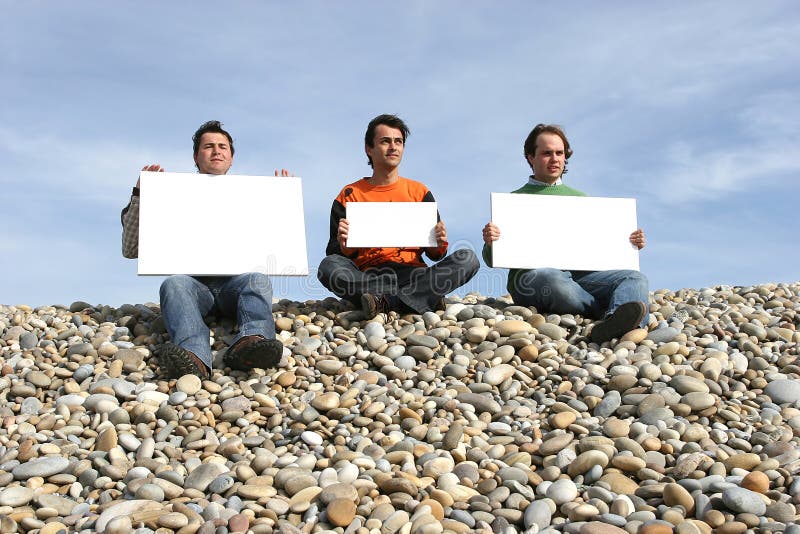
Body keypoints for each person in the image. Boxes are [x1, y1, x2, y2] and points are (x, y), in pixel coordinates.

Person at [121, 120, 286, 379]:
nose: (216, 151)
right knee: (174, 284)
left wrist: (282, 201)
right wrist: (143, 196)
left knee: (258, 280)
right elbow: (131, 248)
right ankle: (193, 357)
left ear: (231, 157)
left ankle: (251, 343)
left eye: (223, 147)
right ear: (196, 157)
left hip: (236, 285)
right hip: (195, 288)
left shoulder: (254, 198)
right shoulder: (171, 195)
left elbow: (281, 246)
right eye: (208, 146)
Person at [482, 123, 649, 343]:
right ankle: (610, 312)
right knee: (552, 277)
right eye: (546, 153)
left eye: (559, 153)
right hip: (533, 277)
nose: (554, 159)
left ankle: (613, 324)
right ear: (530, 157)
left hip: (581, 276)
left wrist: (629, 242)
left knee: (634, 278)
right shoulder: (512, 200)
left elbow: (601, 247)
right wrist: (491, 241)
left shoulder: (582, 199)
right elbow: (491, 260)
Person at [318, 114, 479, 318]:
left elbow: (436, 254)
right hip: (368, 276)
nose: (393, 147)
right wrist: (346, 249)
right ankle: (418, 299)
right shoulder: (349, 194)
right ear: (369, 149)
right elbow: (333, 252)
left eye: (398, 142)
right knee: (328, 267)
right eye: (385, 141)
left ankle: (386, 301)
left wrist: (438, 243)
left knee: (468, 259)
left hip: (414, 274)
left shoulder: (419, 191)